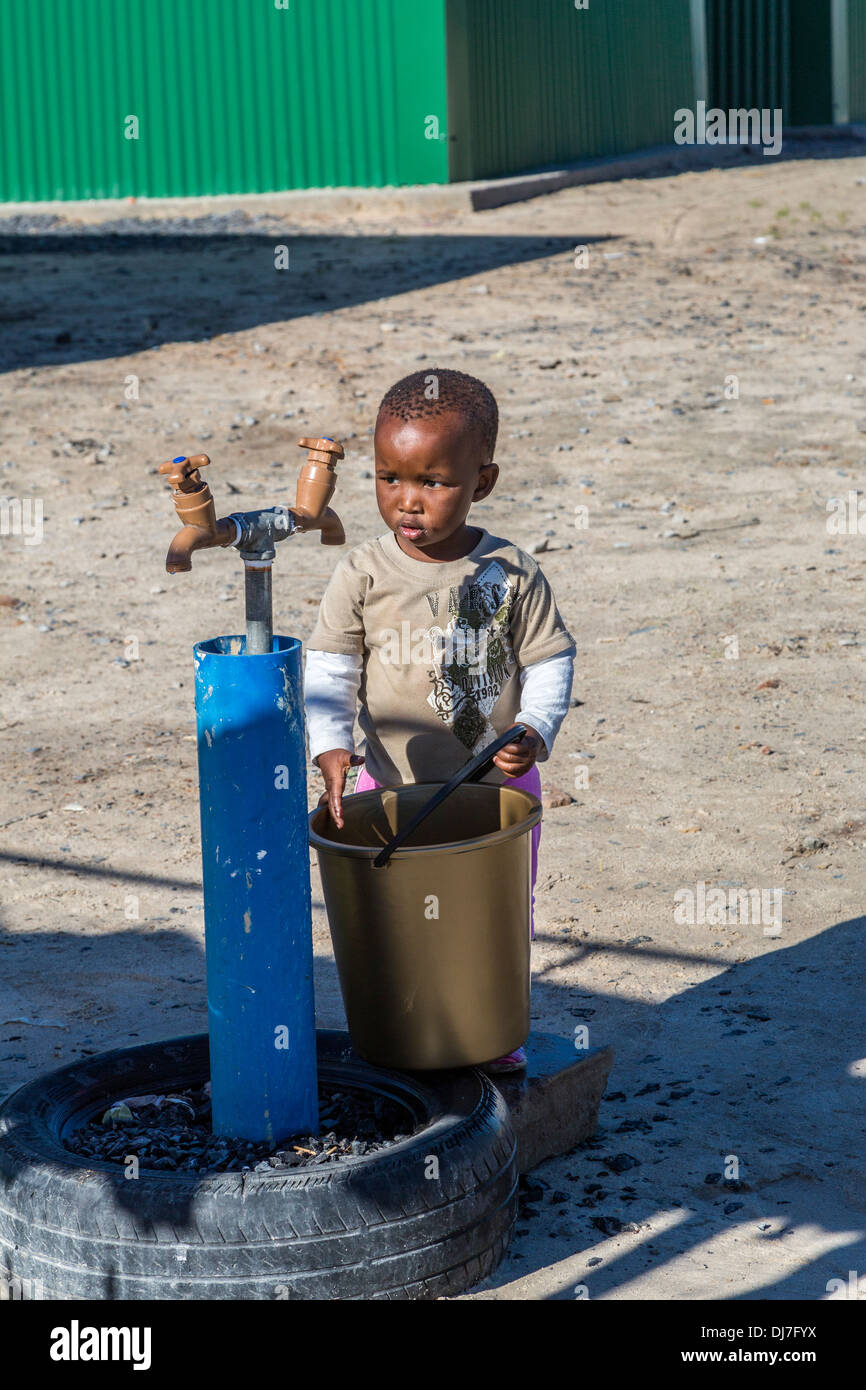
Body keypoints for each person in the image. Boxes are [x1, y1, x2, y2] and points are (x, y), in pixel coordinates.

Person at [304, 368, 576, 1073]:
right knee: (396, 918)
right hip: (388, 787)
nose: (408, 501)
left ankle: (487, 1031)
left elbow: (550, 660)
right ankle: (407, 1033)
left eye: (433, 482)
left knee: (491, 916)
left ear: (482, 481)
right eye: (389, 478)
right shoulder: (363, 573)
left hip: (496, 789)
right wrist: (330, 746)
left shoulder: (510, 572)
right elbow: (331, 668)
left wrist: (536, 728)